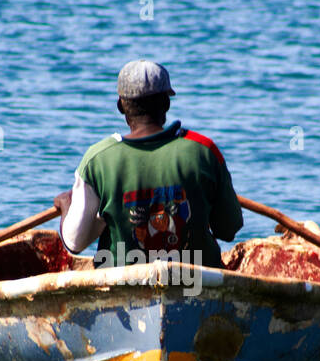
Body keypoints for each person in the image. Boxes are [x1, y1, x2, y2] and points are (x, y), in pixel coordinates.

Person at [54, 60, 243, 269]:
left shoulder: (97, 160)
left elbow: (74, 242)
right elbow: (228, 229)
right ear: (167, 104)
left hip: (123, 286)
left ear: (120, 106)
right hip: (195, 282)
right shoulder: (204, 150)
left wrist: (65, 206)